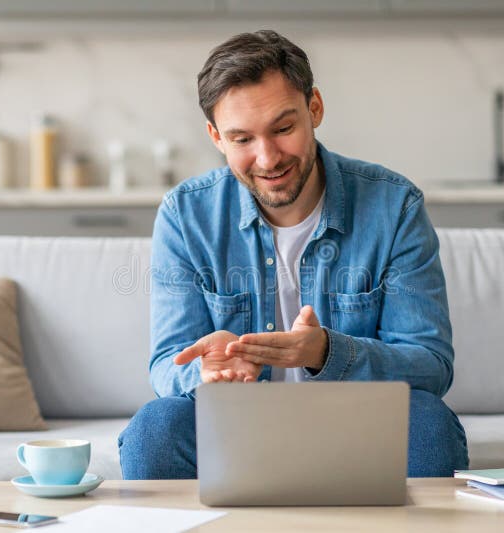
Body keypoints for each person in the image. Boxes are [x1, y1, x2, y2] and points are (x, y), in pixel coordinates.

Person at [118, 29, 468, 479]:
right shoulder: (186, 215)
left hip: (356, 424)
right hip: (234, 426)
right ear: (216, 137)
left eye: (283, 129)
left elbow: (431, 365)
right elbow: (167, 365)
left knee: (430, 429)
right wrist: (208, 371)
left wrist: (326, 352)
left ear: (314, 109)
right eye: (242, 139)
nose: (267, 158)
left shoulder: (394, 206)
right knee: (154, 431)